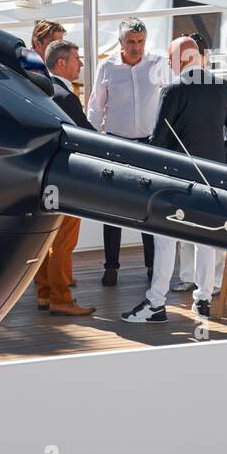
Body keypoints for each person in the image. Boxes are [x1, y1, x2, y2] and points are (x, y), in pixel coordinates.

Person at [121, 37, 227, 324]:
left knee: (164, 240)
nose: (167, 63)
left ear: (181, 60)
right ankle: (202, 300)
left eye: (170, 58)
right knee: (205, 238)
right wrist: (222, 159)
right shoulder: (221, 86)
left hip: (177, 180)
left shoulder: (173, 90)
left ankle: (156, 304)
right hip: (212, 178)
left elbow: (158, 141)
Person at [88, 17, 165, 286]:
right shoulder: (106, 67)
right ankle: (111, 268)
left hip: (149, 145)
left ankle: (152, 266)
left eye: (141, 41)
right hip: (116, 145)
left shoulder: (157, 64)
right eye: (131, 42)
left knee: (149, 206)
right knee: (113, 208)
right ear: (120, 42)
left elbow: (170, 98)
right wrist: (91, 143)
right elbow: (96, 107)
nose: (136, 47)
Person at [32, 40, 95, 317]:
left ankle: (45, 294)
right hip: (67, 180)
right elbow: (87, 136)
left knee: (48, 240)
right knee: (64, 242)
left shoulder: (43, 90)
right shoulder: (66, 97)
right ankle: (62, 299)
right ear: (61, 64)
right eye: (76, 58)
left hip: (46, 178)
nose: (80, 64)